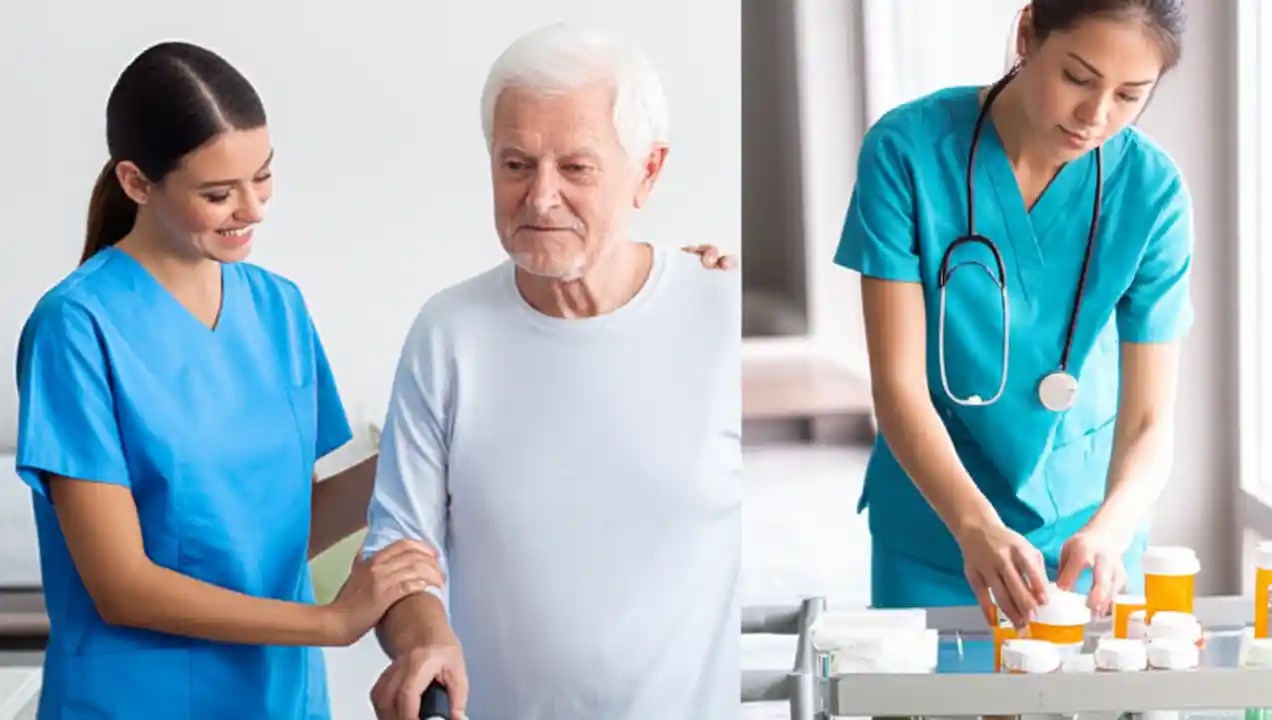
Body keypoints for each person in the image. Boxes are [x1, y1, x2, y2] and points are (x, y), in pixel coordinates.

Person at [12, 41, 450, 719]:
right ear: (136, 183)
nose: (252, 209)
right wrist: (333, 622)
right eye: (218, 194)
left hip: (278, 697)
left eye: (263, 178)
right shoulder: (76, 328)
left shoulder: (278, 308)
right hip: (137, 702)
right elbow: (120, 586)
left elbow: (276, 528)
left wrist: (422, 455)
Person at [360, 24, 741, 720]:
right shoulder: (448, 333)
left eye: (576, 168)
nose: (539, 197)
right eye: (515, 165)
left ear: (647, 172)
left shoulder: (724, 318)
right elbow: (400, 545)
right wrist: (424, 637)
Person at [835, 0, 1192, 628]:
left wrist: (1111, 527)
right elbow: (897, 386)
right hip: (939, 518)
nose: (1096, 116)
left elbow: (1149, 420)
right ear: (1027, 34)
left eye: (1130, 95)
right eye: (1078, 78)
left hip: (1087, 542)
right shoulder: (907, 152)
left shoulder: (1152, 192)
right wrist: (974, 527)